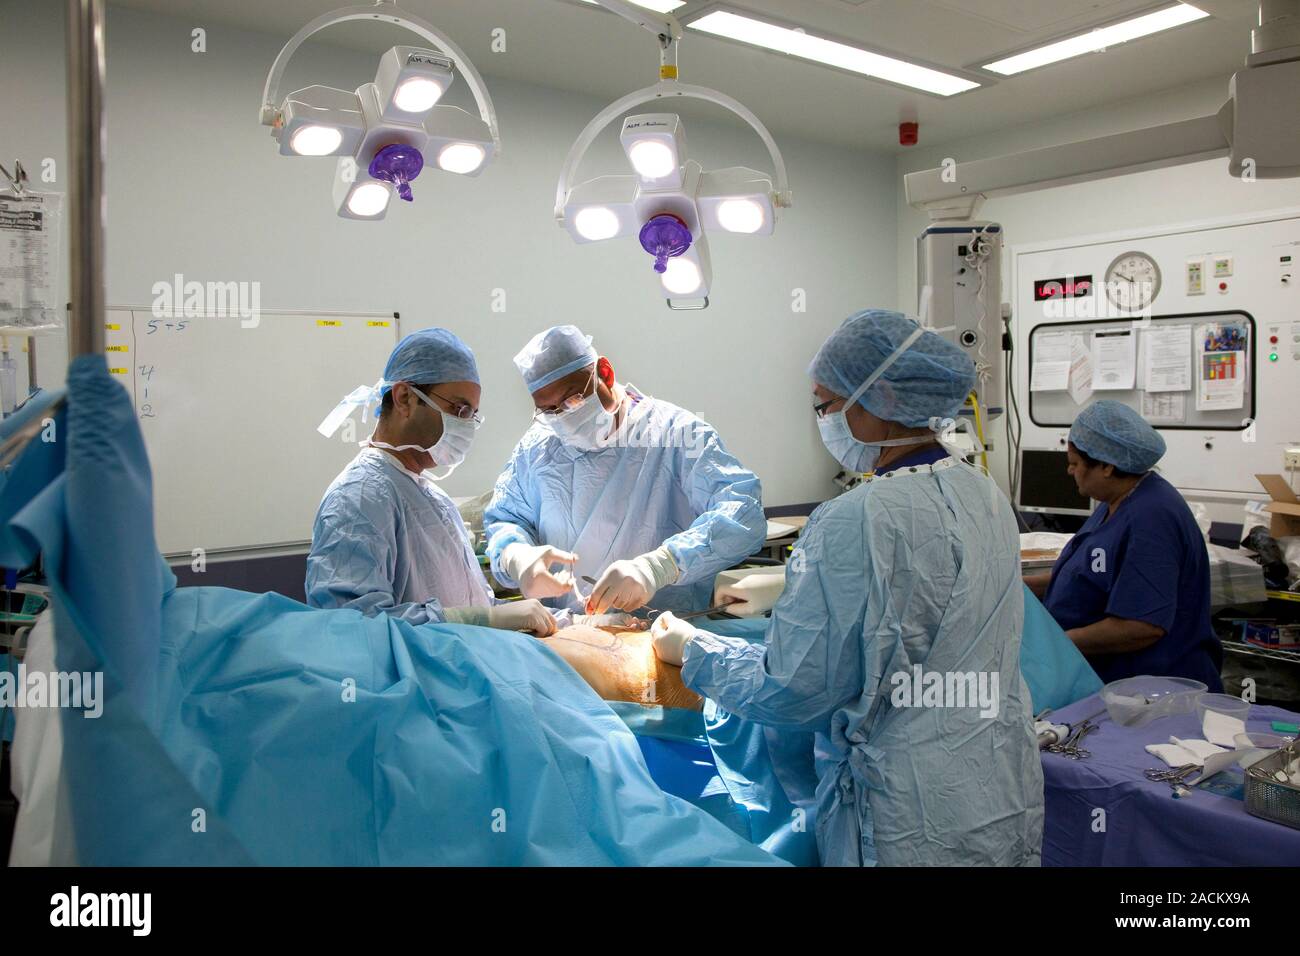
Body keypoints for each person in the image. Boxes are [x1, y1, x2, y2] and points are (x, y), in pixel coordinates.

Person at [650, 309, 1044, 867]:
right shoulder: (984, 493)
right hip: (997, 781)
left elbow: (794, 689)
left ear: (878, 397)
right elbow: (928, 592)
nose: (823, 419)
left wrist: (696, 651)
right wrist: (794, 583)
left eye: (826, 404)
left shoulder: (853, 516)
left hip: (910, 814)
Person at [484, 325, 765, 615]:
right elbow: (506, 518)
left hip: (661, 638)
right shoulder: (536, 449)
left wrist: (660, 566)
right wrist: (515, 555)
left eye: (573, 400)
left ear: (604, 372)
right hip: (565, 636)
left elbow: (744, 513)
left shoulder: (679, 434)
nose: (565, 419)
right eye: (550, 410)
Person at [306, 328, 554, 636]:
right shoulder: (358, 497)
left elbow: (469, 603)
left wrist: (566, 620)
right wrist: (484, 621)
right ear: (404, 398)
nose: (466, 425)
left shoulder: (431, 497)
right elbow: (352, 628)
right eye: (458, 409)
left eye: (472, 415)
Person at [1024, 400, 1221, 690]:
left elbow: (1142, 626)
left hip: (1155, 693)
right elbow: (1089, 575)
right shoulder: (1114, 502)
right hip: (1111, 682)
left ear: (1106, 465)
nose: (1070, 472)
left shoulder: (1152, 517)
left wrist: (1057, 645)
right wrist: (1020, 587)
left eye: (1075, 464)